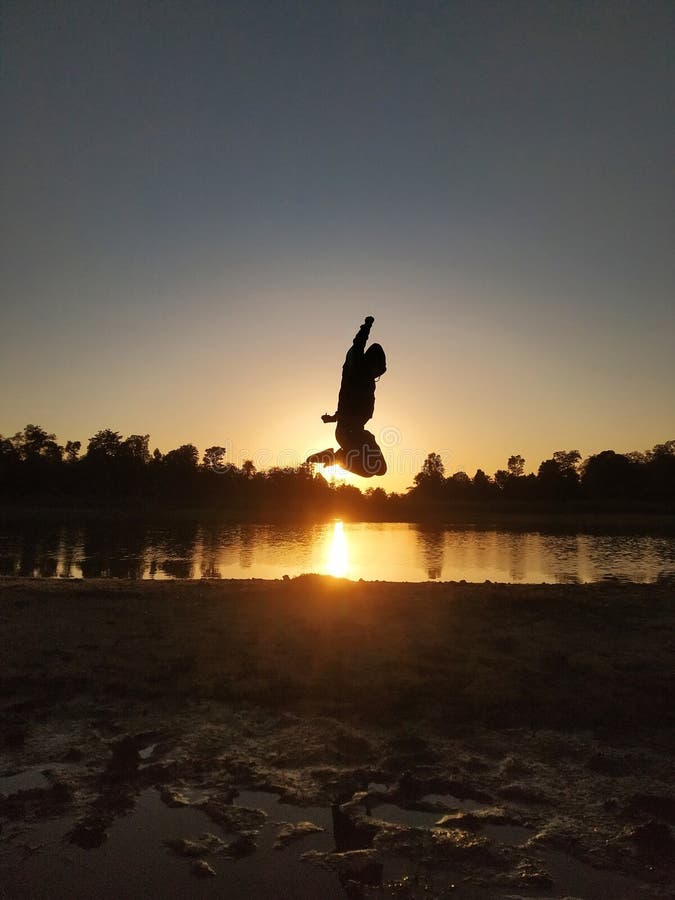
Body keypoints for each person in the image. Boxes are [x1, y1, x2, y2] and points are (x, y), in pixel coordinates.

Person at [306, 316, 387, 477]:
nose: (376, 376)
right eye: (377, 371)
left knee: (379, 469)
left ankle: (336, 456)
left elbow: (347, 405)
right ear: (371, 363)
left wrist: (333, 418)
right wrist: (367, 326)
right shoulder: (355, 369)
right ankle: (335, 457)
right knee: (374, 469)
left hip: (357, 432)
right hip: (348, 433)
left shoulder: (367, 381)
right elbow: (357, 346)